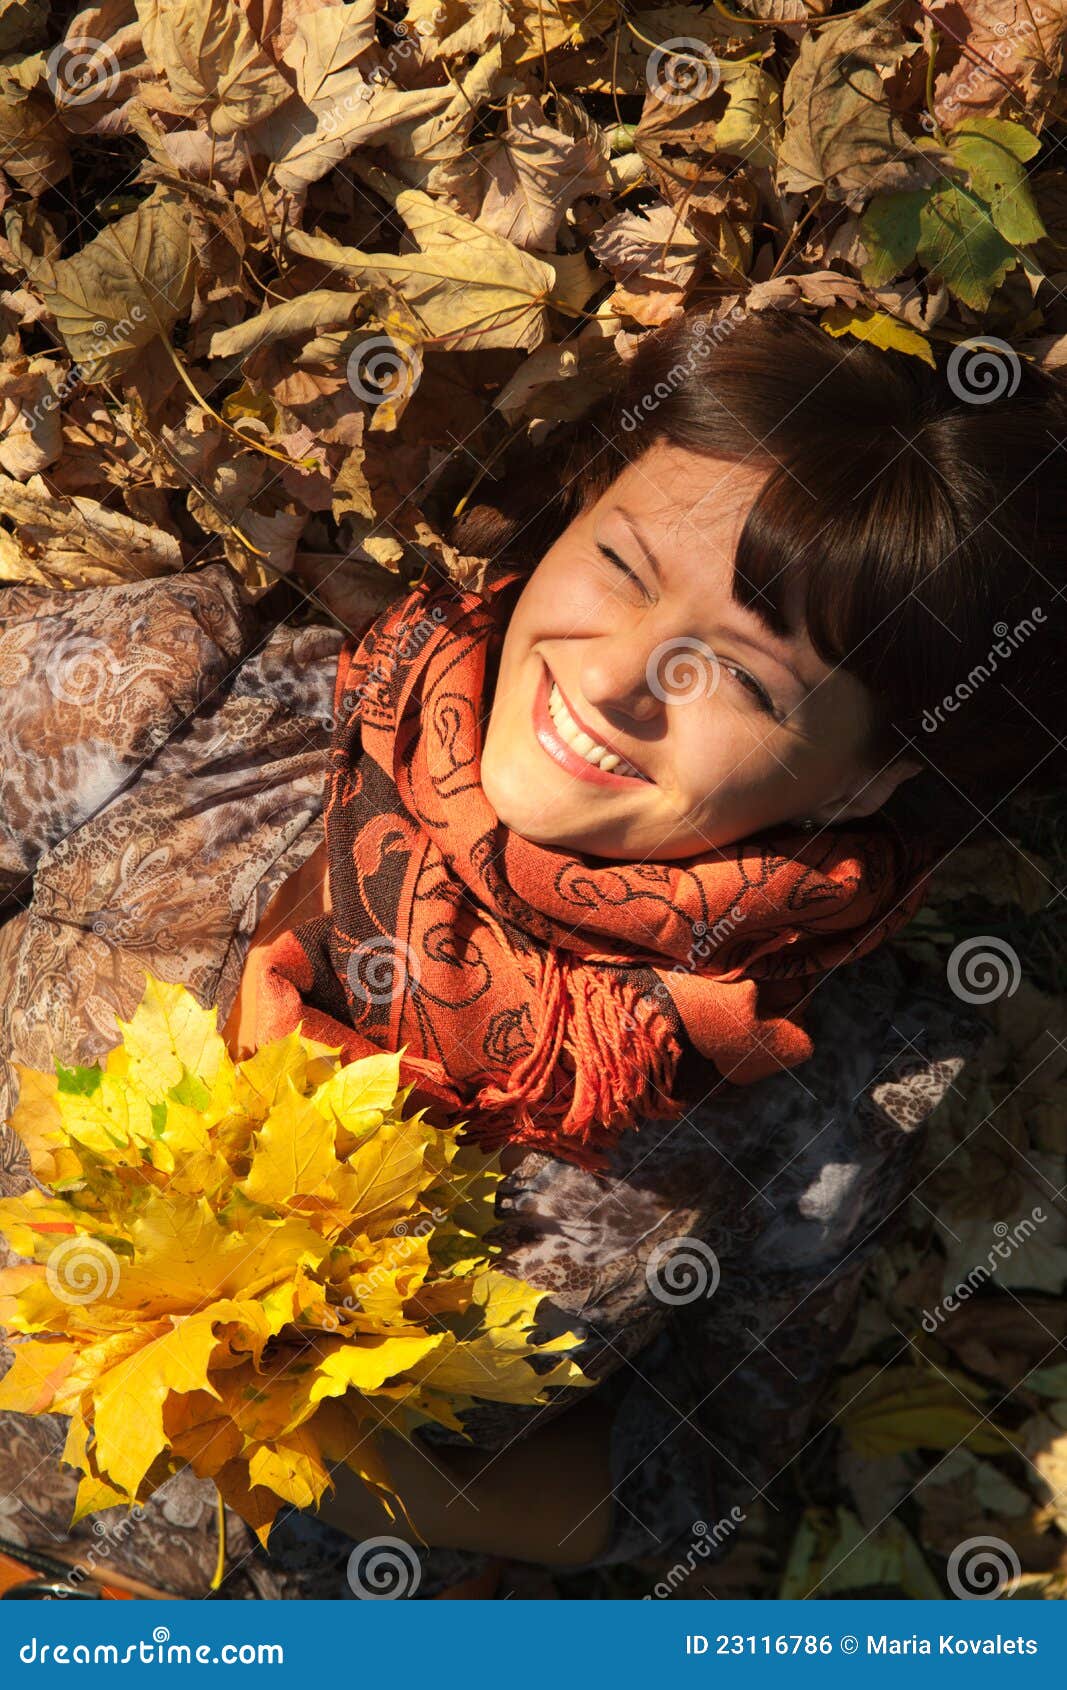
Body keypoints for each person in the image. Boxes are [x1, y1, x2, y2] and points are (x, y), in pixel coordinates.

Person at [0, 312, 1059, 1598]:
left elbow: (693, 1476)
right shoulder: (189, 711)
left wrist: (316, 1433)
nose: (615, 679)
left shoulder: (819, 1096)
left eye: (744, 678)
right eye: (617, 565)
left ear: (867, 777)